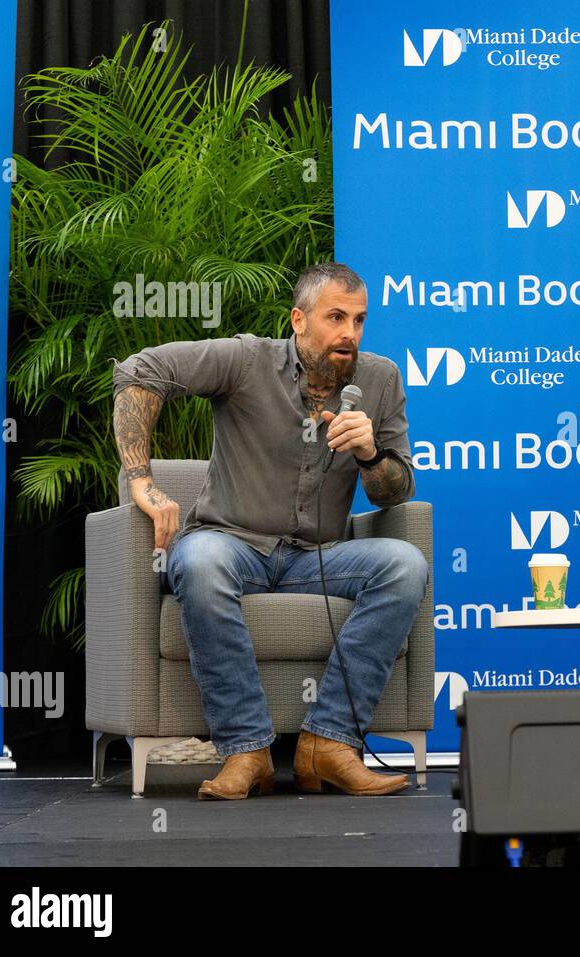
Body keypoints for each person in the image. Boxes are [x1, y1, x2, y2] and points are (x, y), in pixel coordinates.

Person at [111, 262, 428, 800]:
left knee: (405, 565)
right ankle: (246, 752)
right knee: (201, 562)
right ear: (298, 320)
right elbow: (140, 372)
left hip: (318, 557)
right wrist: (141, 478)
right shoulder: (245, 360)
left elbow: (392, 491)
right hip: (231, 544)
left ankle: (327, 743)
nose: (349, 333)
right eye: (335, 317)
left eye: (359, 319)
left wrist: (371, 453)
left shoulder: (379, 379)